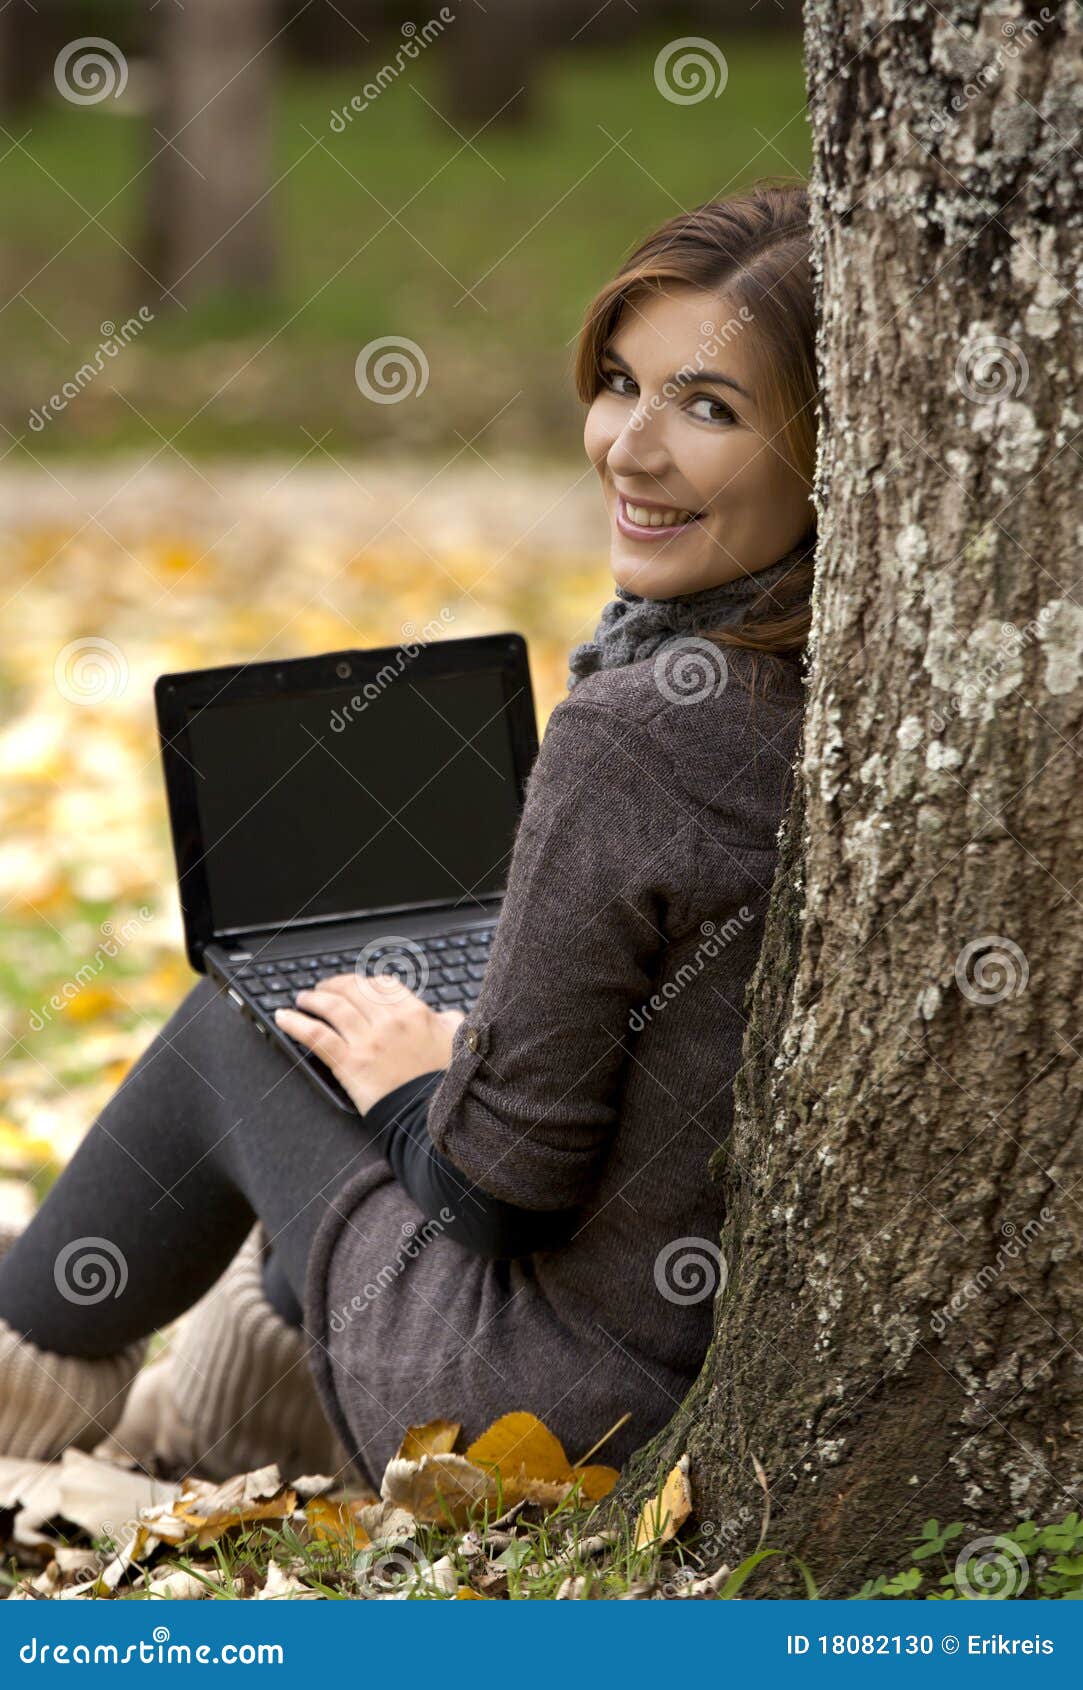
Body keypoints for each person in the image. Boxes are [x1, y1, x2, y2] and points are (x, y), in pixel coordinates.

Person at [0, 180, 817, 1489]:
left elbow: (497, 1192)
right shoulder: (867, 691)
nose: (629, 448)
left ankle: (20, 1372)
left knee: (252, 1027)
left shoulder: (637, 734)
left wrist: (414, 1080)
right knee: (359, 1033)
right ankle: (253, 1396)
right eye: (621, 382)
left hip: (535, 1400)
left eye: (709, 408)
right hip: (698, 1355)